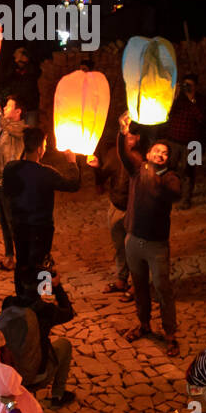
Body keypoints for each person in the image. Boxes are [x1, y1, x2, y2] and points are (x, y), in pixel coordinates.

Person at [117, 121, 183, 356]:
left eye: (165, 153)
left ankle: (170, 334)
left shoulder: (171, 179)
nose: (160, 154)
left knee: (162, 288)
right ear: (148, 153)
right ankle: (144, 324)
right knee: (140, 286)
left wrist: (156, 175)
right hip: (133, 240)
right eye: (157, 150)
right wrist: (122, 132)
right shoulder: (138, 169)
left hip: (156, 245)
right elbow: (124, 153)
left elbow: (174, 195)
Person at [1, 127, 83, 298]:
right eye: (44, 144)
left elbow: (7, 192)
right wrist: (72, 162)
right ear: (40, 149)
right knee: (40, 263)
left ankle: (22, 296)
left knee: (22, 261)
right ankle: (40, 298)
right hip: (40, 227)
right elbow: (73, 184)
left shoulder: (10, 168)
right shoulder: (46, 173)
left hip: (19, 225)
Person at [0, 270, 77, 407]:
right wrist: (57, 286)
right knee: (65, 345)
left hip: (8, 375)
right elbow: (69, 312)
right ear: (43, 286)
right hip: (34, 377)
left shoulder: (8, 303)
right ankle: (58, 395)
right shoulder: (45, 310)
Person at [92, 119, 132, 298]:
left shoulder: (144, 156)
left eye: (132, 130)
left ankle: (138, 285)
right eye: (126, 130)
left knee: (136, 248)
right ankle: (122, 279)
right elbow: (103, 175)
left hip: (135, 209)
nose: (129, 134)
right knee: (119, 247)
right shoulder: (114, 155)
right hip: (116, 205)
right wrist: (96, 168)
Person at [0, 97, 27, 272]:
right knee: (3, 220)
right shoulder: (3, 128)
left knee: (13, 221)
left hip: (11, 183)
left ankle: (22, 258)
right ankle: (9, 256)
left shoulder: (19, 129)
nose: (5, 107)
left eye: (9, 105)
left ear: (18, 112)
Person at [162, 75, 206, 208]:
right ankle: (169, 195)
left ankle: (186, 199)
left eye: (190, 85)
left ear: (195, 87)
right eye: (185, 84)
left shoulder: (202, 100)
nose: (186, 87)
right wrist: (173, 96)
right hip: (174, 140)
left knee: (190, 172)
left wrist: (191, 100)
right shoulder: (177, 99)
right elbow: (166, 113)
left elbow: (201, 118)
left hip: (194, 143)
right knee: (170, 169)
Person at [0, 47, 42, 127]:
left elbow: (29, 88)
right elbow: (11, 82)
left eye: (18, 57)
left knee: (29, 130)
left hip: (30, 108)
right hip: (19, 107)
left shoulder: (32, 70)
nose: (16, 60)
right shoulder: (15, 70)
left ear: (25, 57)